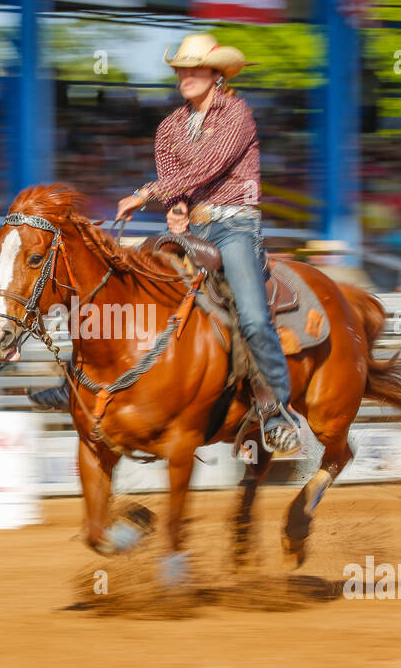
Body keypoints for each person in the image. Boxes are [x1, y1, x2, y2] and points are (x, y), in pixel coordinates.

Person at [29, 33, 301, 454]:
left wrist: (147, 193)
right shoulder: (170, 127)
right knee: (121, 282)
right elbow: (177, 176)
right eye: (181, 69)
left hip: (235, 227)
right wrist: (174, 206)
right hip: (189, 230)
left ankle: (275, 407)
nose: (185, 76)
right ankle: (78, 380)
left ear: (217, 75)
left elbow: (211, 165)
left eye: (194, 68)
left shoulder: (237, 115)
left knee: (250, 310)